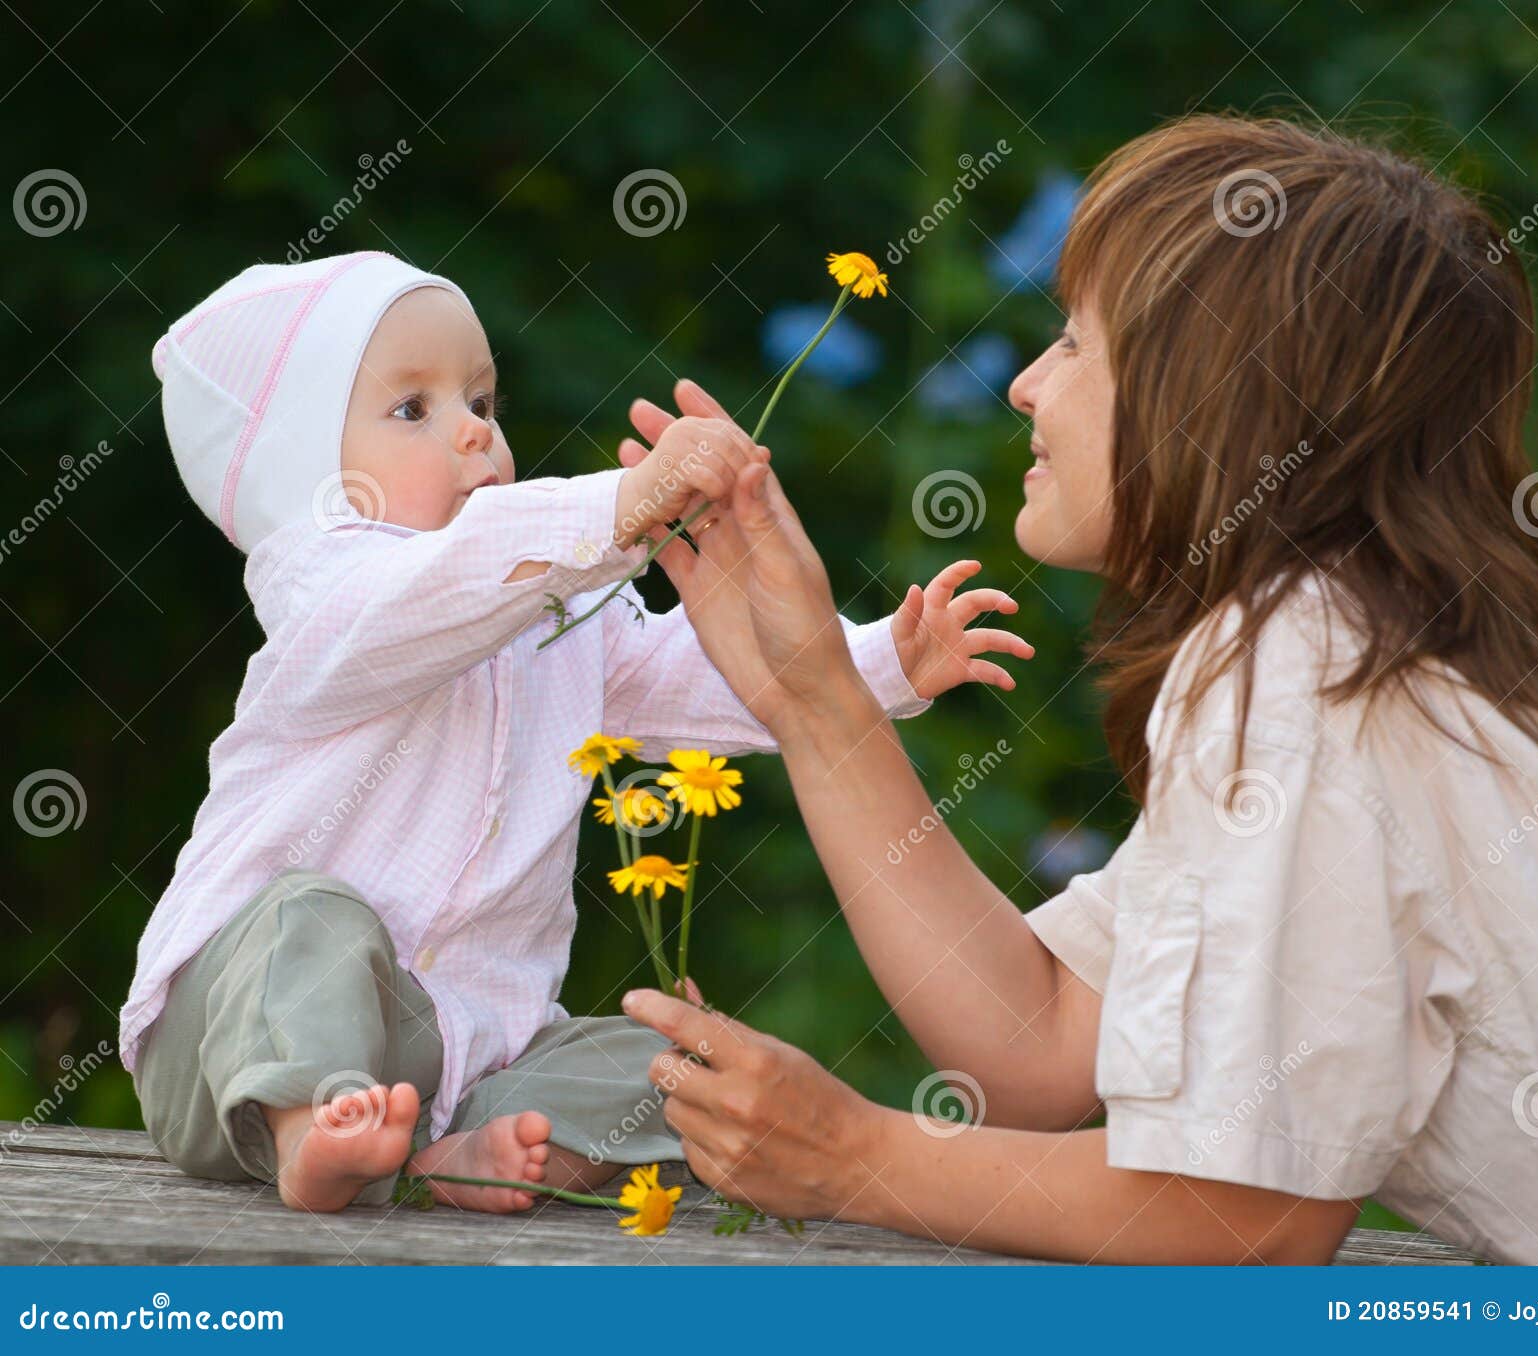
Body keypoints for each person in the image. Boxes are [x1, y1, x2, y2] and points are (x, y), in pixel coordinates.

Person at [623, 115, 1538, 1265]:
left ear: (1223, 392)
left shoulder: (1305, 668)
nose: (1028, 386)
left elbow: (1248, 1221)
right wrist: (814, 696)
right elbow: (1034, 1041)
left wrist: (852, 1156)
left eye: (1080, 343)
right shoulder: (1383, 647)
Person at [119, 251, 1030, 1213]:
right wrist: (617, 506)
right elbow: (451, 581)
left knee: (677, 1066)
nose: (474, 430)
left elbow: (702, 672)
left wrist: (882, 663)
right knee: (312, 916)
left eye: (481, 399)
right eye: (413, 410)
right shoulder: (328, 595)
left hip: (463, 1067)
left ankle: (462, 1157)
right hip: (231, 1051)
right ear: (307, 478)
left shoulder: (553, 616)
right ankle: (315, 1130)